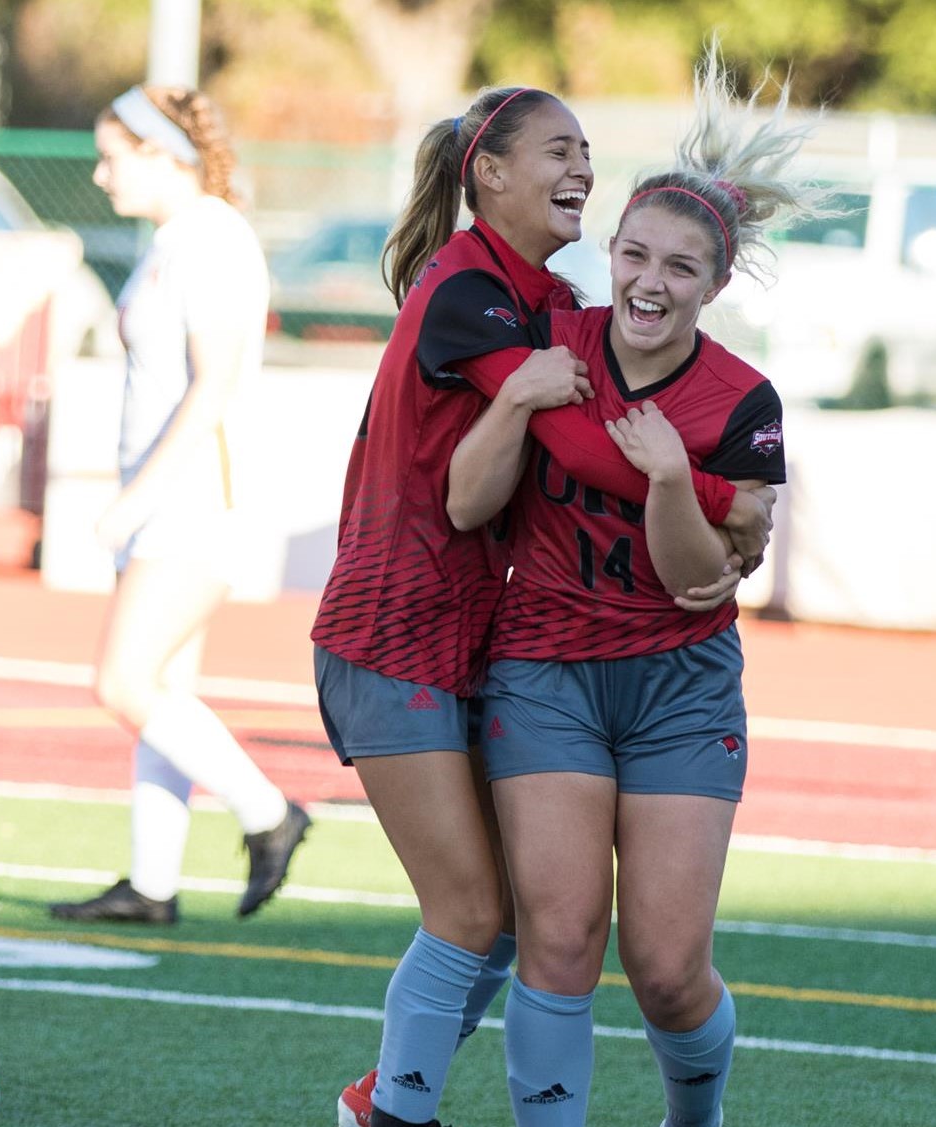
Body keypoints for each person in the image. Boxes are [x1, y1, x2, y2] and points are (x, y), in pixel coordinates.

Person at [314, 85, 779, 1127]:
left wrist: (714, 504)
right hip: (401, 625)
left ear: (715, 282)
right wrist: (722, 502)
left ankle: (385, 1096)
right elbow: (537, 459)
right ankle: (391, 1108)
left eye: (586, 150)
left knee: (560, 935)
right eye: (557, 149)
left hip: (519, 642)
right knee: (485, 913)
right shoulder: (477, 291)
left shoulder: (539, 305)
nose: (579, 165)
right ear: (487, 172)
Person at [445, 48, 821, 1127]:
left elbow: (702, 579)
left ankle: (691, 1113)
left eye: (680, 269)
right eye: (635, 255)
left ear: (716, 284)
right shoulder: (550, 338)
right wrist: (513, 400)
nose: (650, 283)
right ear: (609, 251)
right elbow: (472, 502)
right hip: (546, 672)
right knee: (559, 937)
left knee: (664, 967)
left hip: (677, 687)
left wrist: (670, 476)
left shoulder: (743, 401)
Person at [47, 84, 311, 927]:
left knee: (124, 680)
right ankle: (153, 881)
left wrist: (133, 501)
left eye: (113, 155)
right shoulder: (177, 240)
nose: (99, 173)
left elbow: (215, 385)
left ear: (163, 154)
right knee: (163, 689)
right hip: (174, 499)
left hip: (198, 500)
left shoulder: (212, 239)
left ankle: (269, 811)